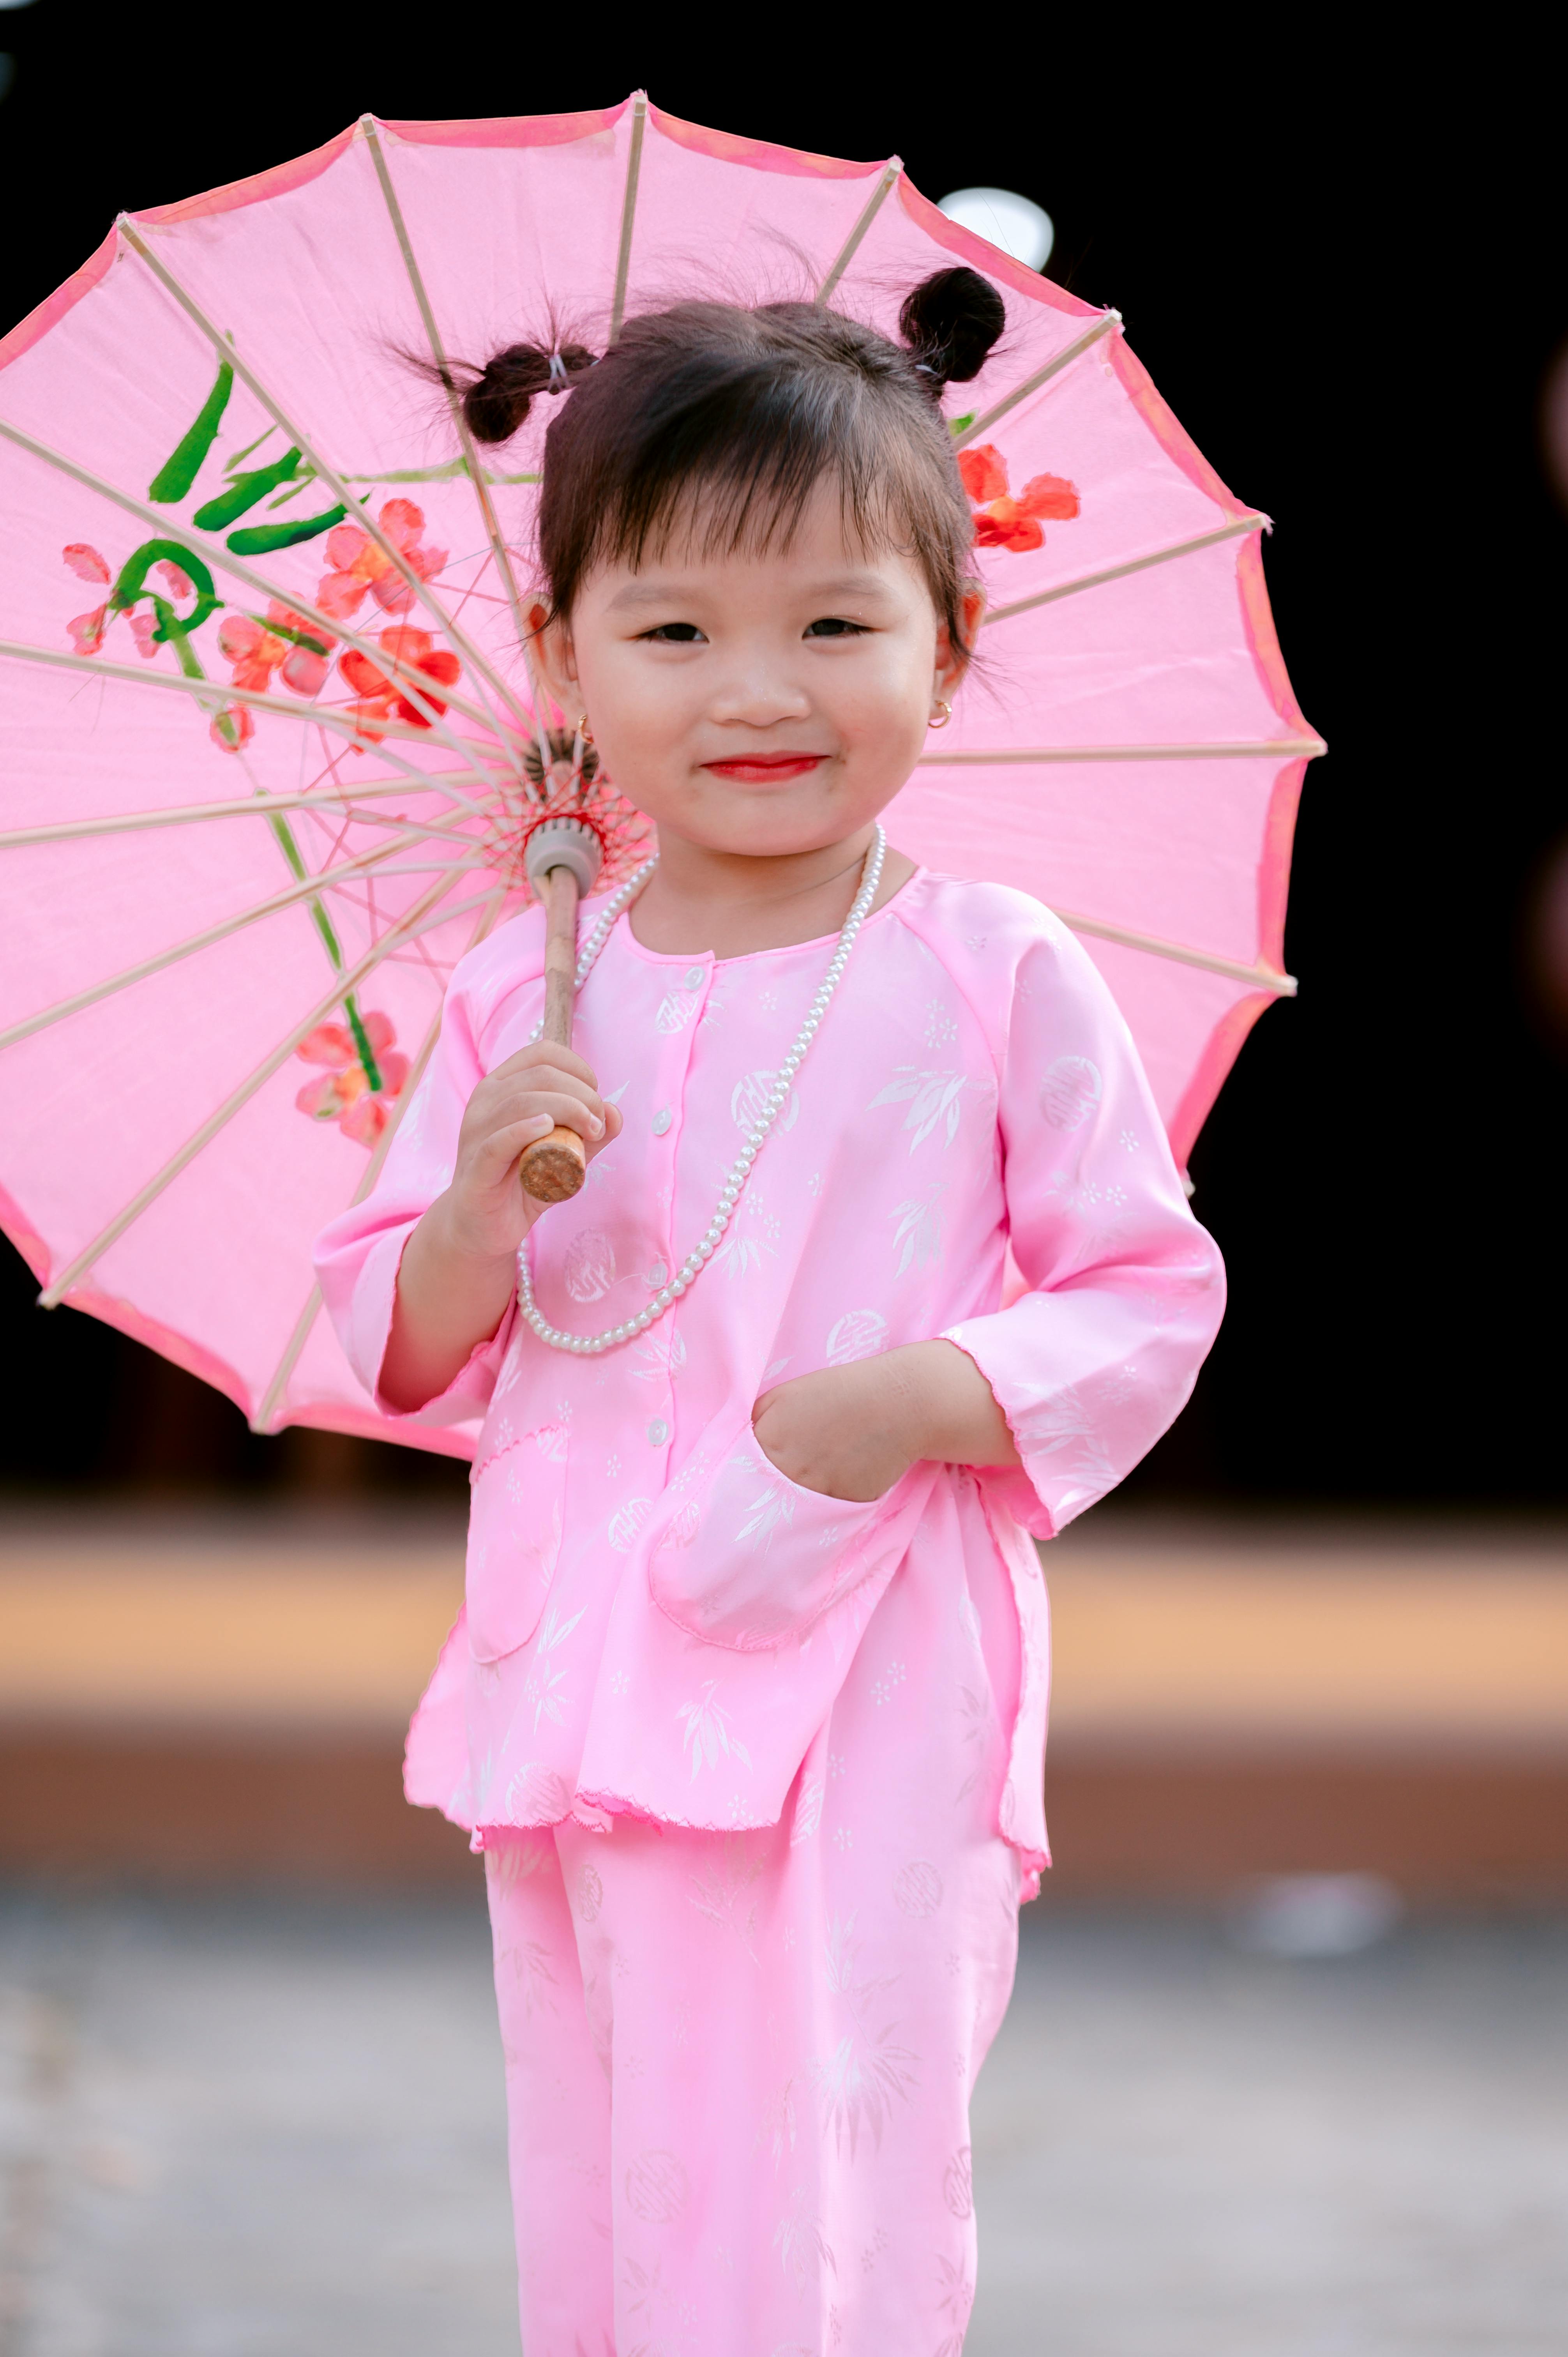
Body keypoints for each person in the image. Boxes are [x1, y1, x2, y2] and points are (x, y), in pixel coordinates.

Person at [314, 268, 1224, 2352]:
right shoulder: (519, 990)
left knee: (826, 2148)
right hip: (582, 1652)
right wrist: (472, 1208)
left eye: (833, 625)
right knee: (608, 2139)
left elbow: (1144, 1288)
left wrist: (914, 1395)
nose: (757, 692)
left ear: (945, 642)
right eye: (673, 632)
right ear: (562, 651)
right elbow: (403, 1340)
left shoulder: (990, 965)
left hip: (864, 1651)